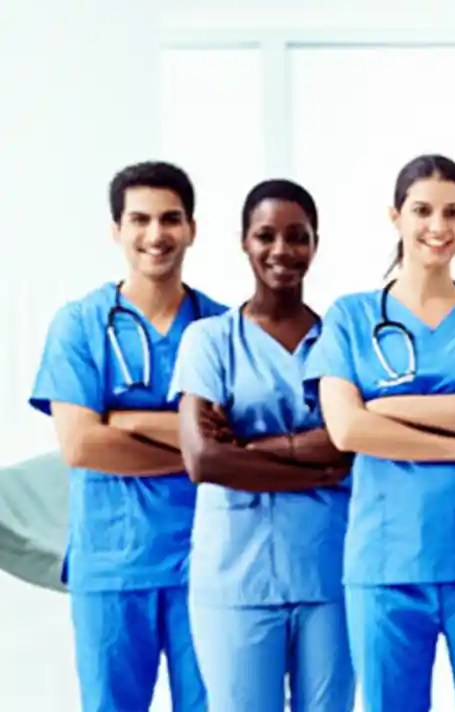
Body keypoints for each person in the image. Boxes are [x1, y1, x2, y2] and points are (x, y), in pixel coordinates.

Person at [305, 154, 455, 712]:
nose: (438, 226)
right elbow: (348, 429)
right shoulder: (350, 317)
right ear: (395, 216)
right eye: (422, 210)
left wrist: (389, 406)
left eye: (453, 212)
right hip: (385, 568)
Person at [29, 160, 223, 711]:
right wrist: (193, 446)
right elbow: (80, 445)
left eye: (170, 219)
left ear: (191, 228)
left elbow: (232, 443)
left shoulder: (222, 329)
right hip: (111, 565)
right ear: (117, 230)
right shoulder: (81, 325)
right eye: (140, 220)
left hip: (207, 563)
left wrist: (125, 420)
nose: (156, 235)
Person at [169, 179, 355, 711]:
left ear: (315, 244)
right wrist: (316, 467)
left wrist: (248, 451)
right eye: (265, 235)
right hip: (236, 579)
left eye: (297, 236)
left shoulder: (339, 340)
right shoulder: (209, 341)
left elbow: (349, 443)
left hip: (328, 573)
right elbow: (203, 459)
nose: (281, 250)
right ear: (244, 242)